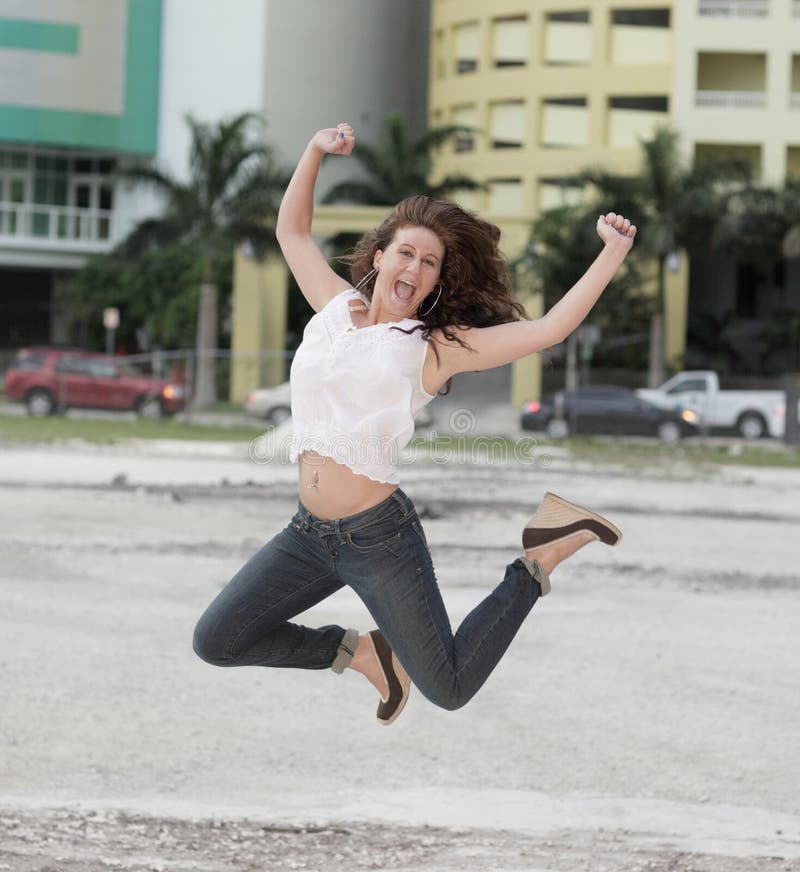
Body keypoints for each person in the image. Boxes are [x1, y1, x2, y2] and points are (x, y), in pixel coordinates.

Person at [193, 122, 636, 725]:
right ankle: (362, 653)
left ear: (434, 280)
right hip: (307, 535)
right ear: (380, 257)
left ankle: (543, 553)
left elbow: (550, 328)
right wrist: (315, 150)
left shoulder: (428, 349)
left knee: (448, 687)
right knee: (218, 639)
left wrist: (612, 252)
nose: (416, 267)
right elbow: (292, 231)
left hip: (379, 539)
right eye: (406, 252)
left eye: (430, 263)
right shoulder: (333, 308)